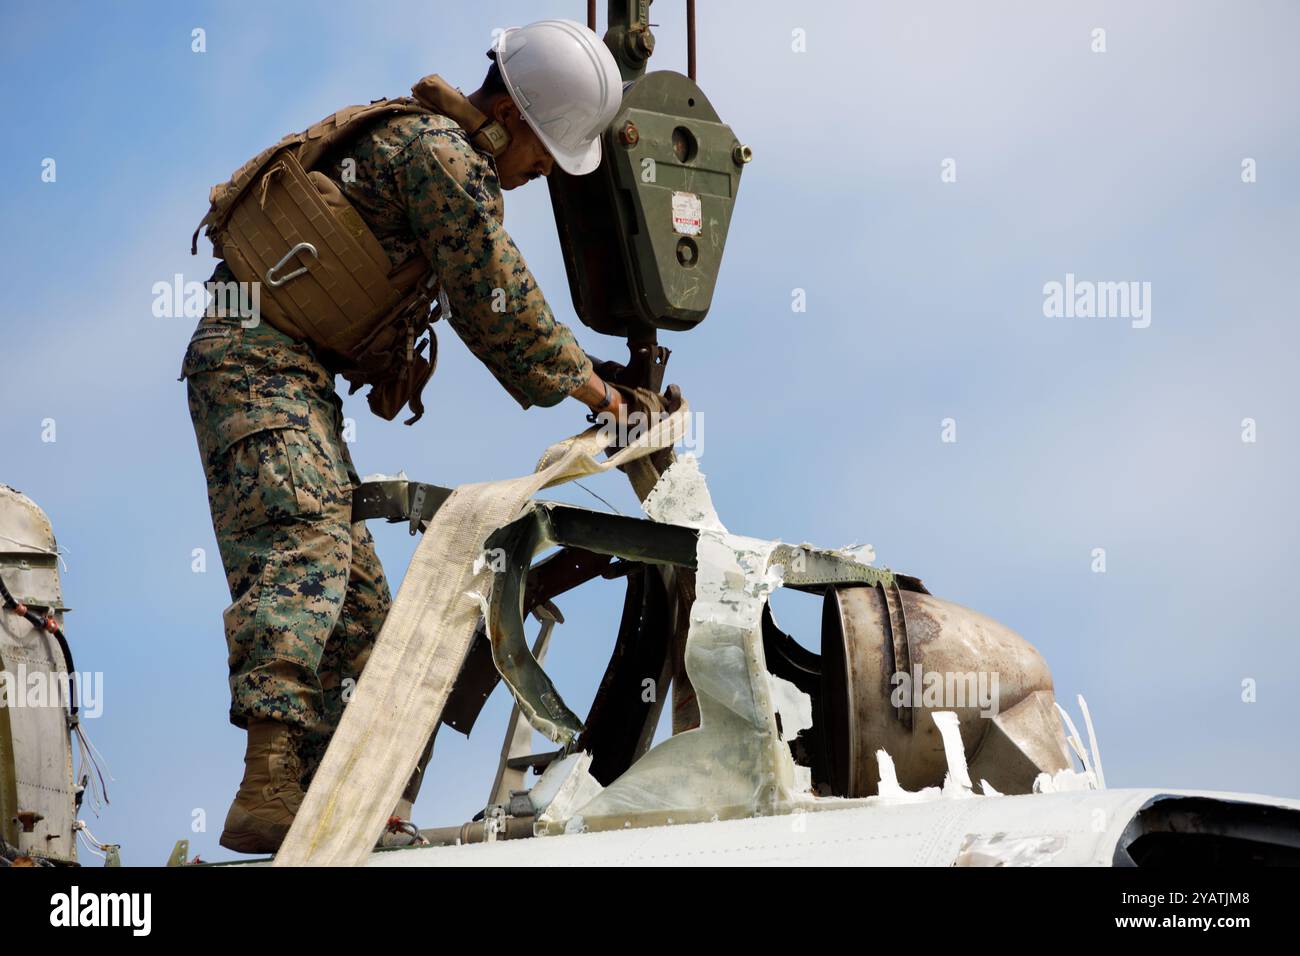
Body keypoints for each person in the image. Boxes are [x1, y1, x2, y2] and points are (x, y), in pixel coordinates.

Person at [179, 19, 629, 854]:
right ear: (519, 118)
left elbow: (492, 305)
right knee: (307, 548)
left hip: (291, 374)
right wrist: (604, 395)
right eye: (545, 157)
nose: (538, 177)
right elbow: (501, 305)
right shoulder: (442, 157)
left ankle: (345, 802)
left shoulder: (435, 150)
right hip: (253, 360)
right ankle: (269, 783)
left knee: (365, 619)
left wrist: (590, 378)